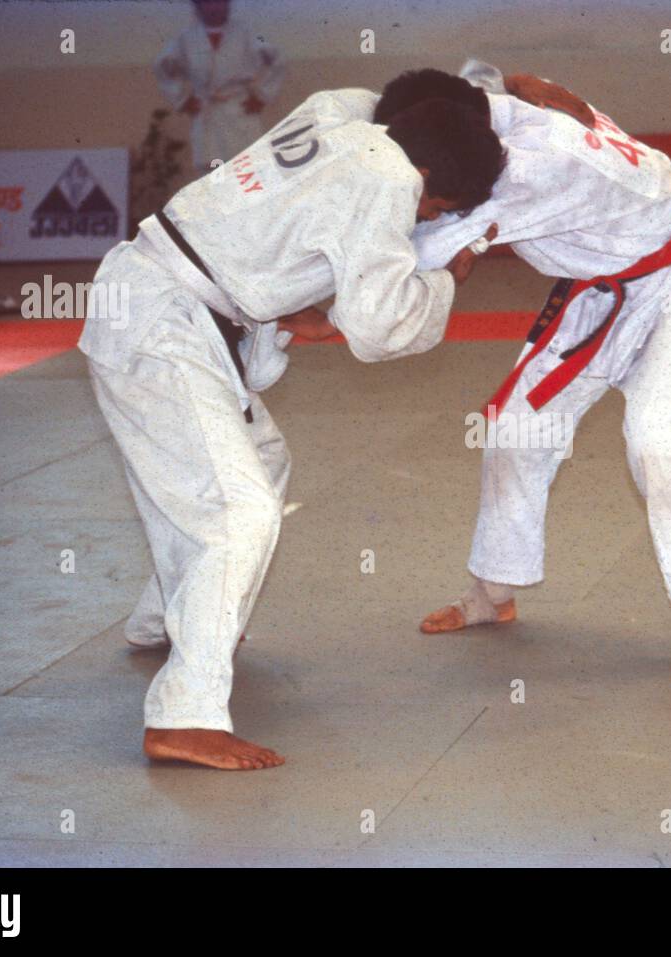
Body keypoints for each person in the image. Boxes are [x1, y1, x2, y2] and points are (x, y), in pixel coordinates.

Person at [78, 96, 504, 771]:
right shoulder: (391, 175)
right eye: (436, 208)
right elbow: (378, 323)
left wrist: (292, 308)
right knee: (237, 509)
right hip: (162, 323)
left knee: (263, 461)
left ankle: (170, 618)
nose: (426, 218)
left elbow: (280, 223)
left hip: (177, 303)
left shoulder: (342, 114)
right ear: (425, 173)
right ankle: (183, 715)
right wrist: (444, 281)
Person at [396, 64, 671, 680]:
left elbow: (411, 253)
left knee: (658, 440)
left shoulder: (532, 173)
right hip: (601, 285)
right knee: (514, 428)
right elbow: (472, 76)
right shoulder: (488, 112)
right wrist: (516, 77)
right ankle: (492, 594)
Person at [155, 0, 284, 174]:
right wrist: (182, 99)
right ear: (198, 6)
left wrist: (262, 96)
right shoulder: (186, 37)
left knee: (248, 171)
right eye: (208, 2)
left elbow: (277, 60)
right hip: (206, 114)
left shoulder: (246, 32)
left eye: (220, 1)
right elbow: (162, 66)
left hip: (240, 111)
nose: (215, 7)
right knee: (213, 175)